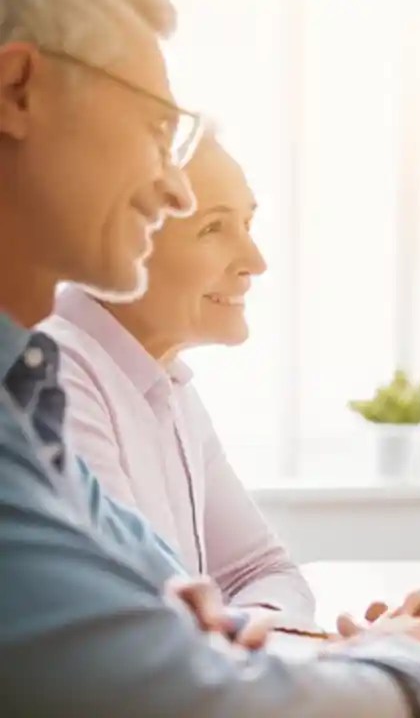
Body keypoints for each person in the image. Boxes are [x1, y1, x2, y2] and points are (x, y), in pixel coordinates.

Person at [0, 0, 420, 715]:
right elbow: (185, 694)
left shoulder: (29, 396)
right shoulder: (51, 385)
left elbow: (184, 625)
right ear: (18, 92)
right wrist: (406, 659)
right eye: (154, 129)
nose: (168, 187)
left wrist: (214, 646)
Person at [39, 132, 314, 619]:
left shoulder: (167, 383)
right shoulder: (53, 374)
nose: (255, 262)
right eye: (213, 228)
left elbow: (264, 572)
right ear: (119, 241)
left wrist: (253, 634)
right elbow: (142, 619)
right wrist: (392, 656)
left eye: (248, 224)